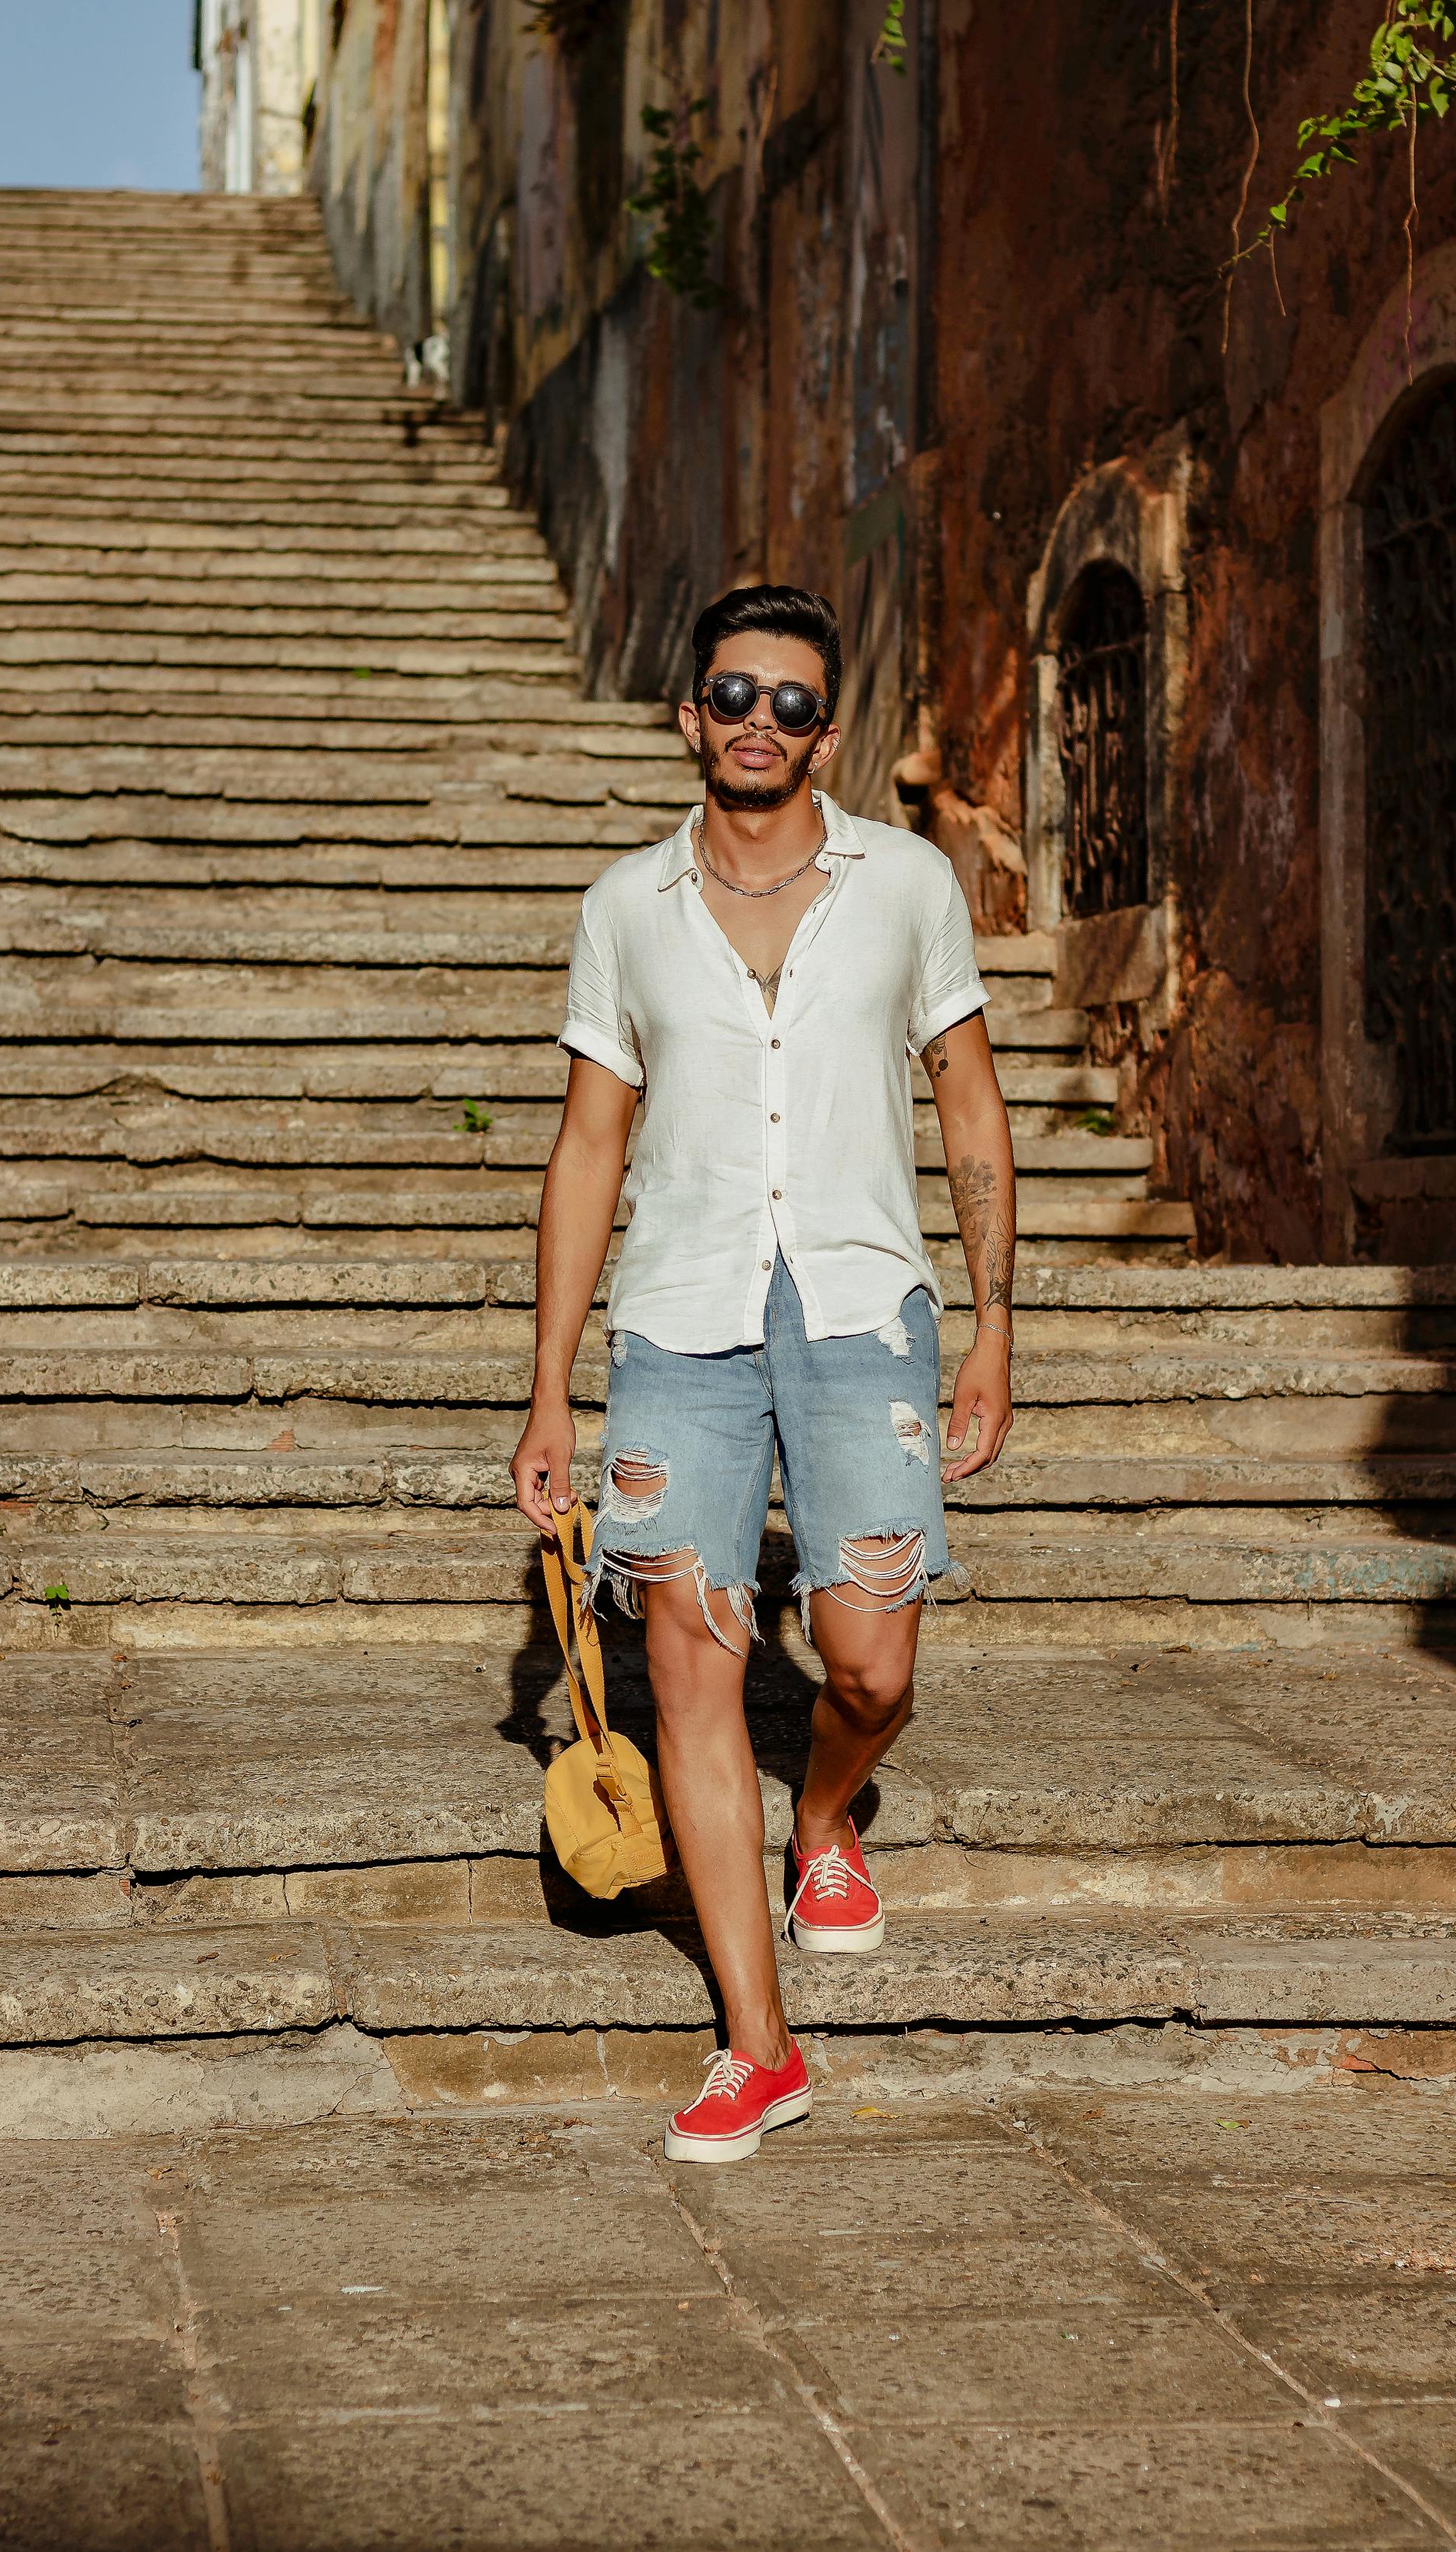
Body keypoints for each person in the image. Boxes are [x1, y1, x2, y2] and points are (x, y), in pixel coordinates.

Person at [511, 584, 1015, 2161]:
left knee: (869, 1667)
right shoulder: (624, 909)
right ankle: (756, 2042)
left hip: (865, 1310)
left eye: (791, 702)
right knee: (688, 1669)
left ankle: (821, 1817)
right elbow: (590, 1141)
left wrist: (996, 1323)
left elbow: (972, 1106)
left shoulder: (908, 887)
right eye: (732, 694)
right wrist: (545, 1385)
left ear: (829, 728)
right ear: (688, 716)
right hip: (677, 1324)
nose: (758, 724)